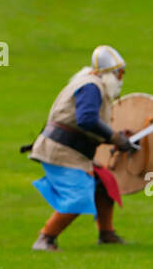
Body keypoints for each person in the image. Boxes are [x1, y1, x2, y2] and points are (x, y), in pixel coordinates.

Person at [27, 45, 138, 250]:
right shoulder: (92, 86)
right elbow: (86, 120)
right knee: (78, 197)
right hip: (62, 149)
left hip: (73, 149)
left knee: (105, 184)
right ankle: (45, 238)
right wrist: (115, 138)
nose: (121, 78)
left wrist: (118, 139)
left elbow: (88, 125)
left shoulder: (90, 83)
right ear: (111, 73)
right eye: (120, 73)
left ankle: (106, 234)